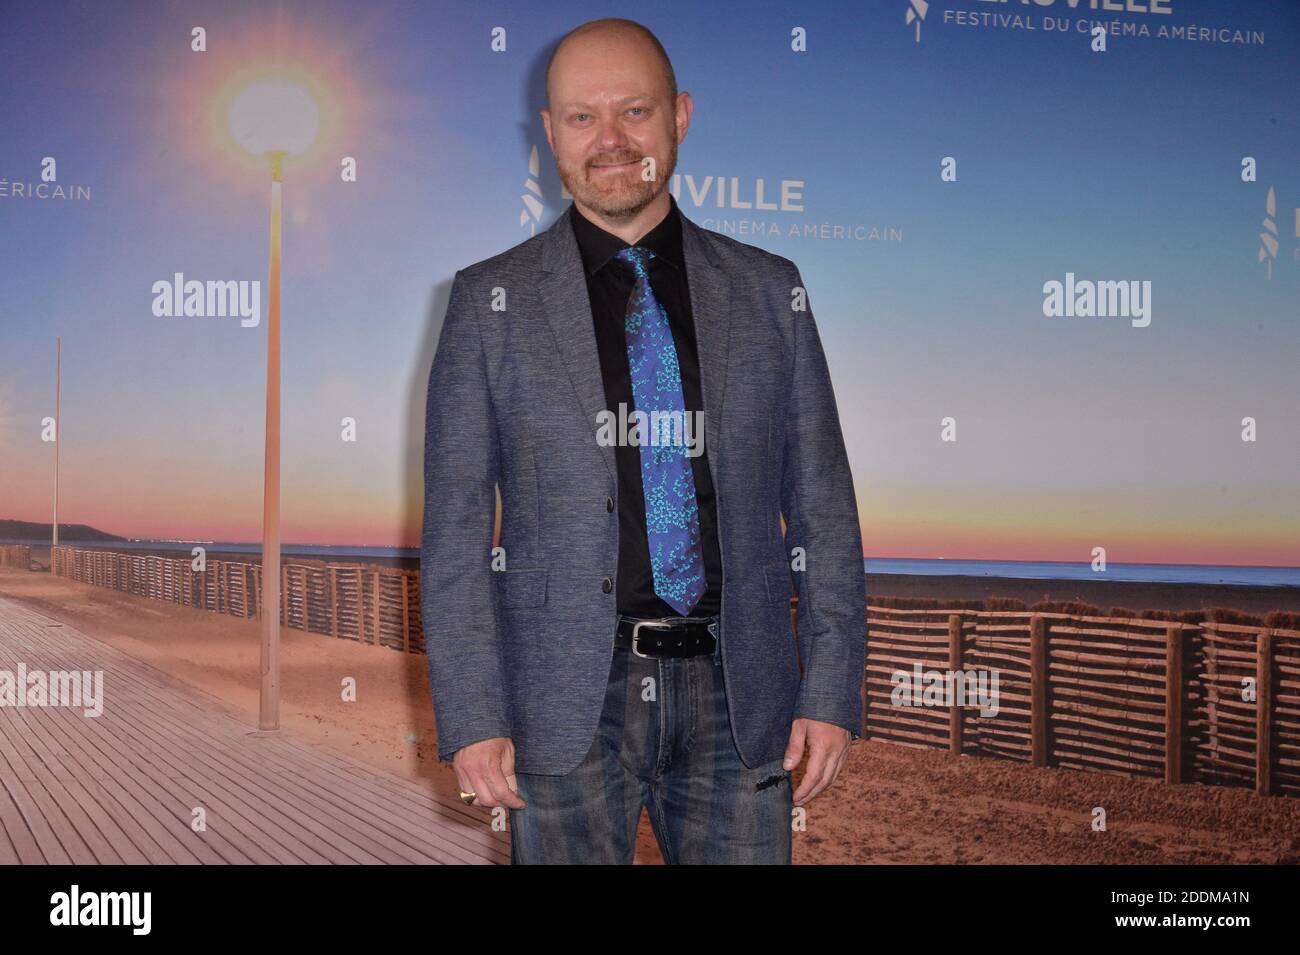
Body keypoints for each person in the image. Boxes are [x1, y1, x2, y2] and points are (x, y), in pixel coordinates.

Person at [420, 17, 866, 864]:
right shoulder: (489, 304)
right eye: (582, 118)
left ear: (681, 117)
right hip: (563, 708)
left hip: (746, 702)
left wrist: (834, 688)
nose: (612, 140)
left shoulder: (773, 293)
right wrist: (474, 715)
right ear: (549, 134)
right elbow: (453, 537)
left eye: (635, 110)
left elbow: (824, 511)